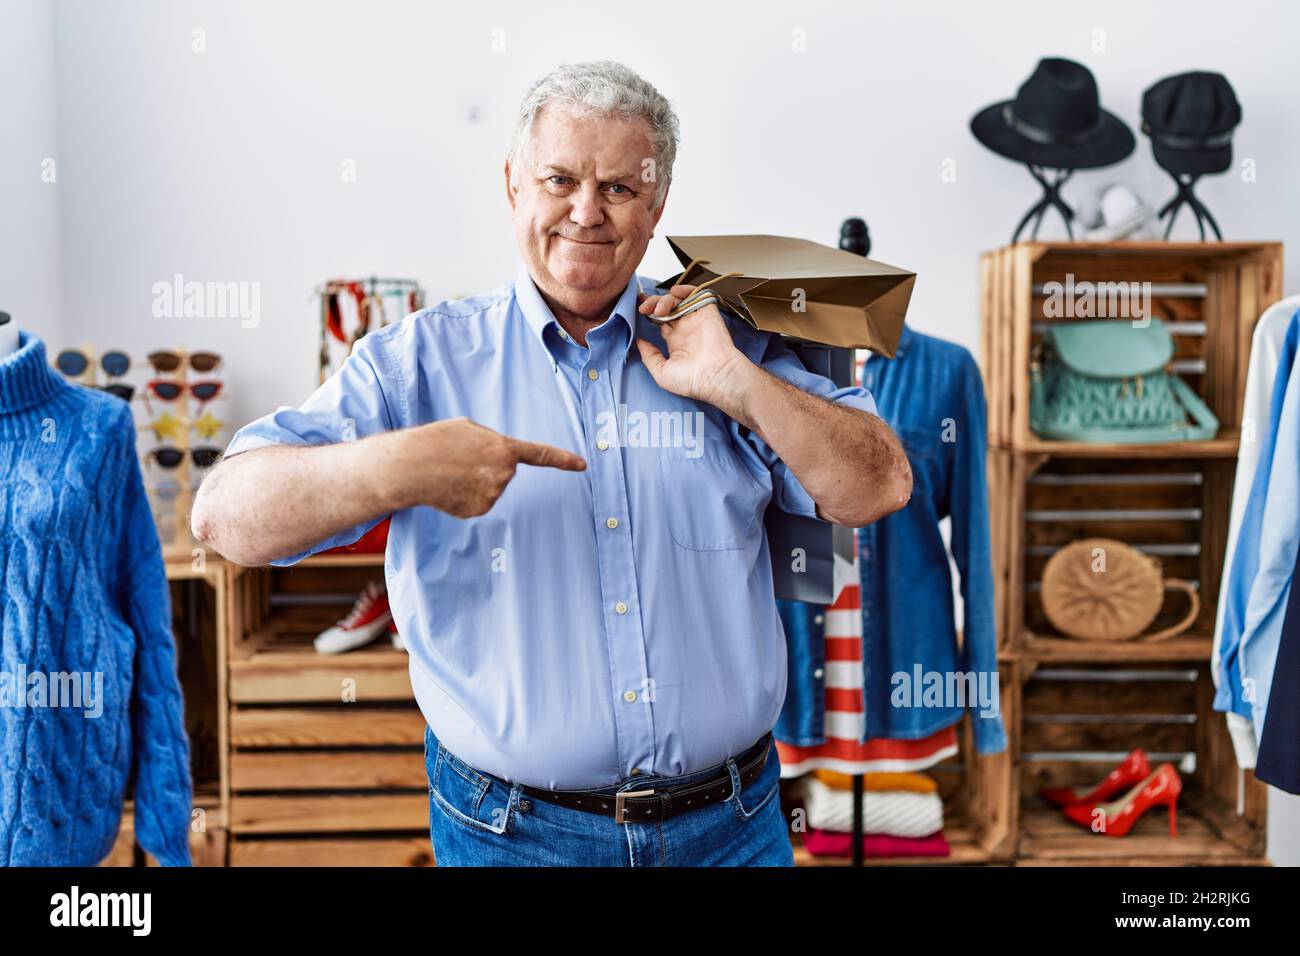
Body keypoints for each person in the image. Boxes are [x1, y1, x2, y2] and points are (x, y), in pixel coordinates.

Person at [191, 60, 911, 866]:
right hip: (512, 838)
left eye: (619, 188)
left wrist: (738, 383)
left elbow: (879, 484)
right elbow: (225, 517)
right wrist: (400, 469)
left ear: (658, 203)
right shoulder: (416, 365)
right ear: (512, 186)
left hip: (733, 829)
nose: (586, 212)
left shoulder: (727, 342)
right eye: (559, 179)